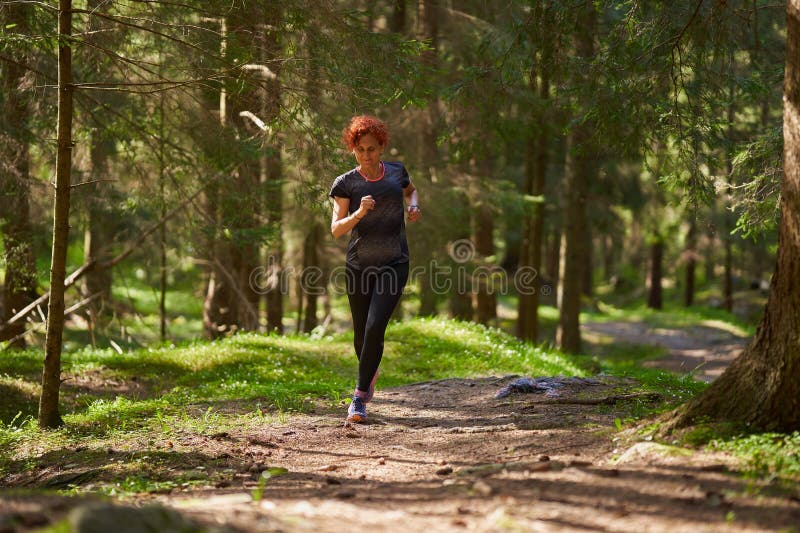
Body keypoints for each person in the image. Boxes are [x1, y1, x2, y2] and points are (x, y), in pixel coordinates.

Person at [329, 115, 421, 423]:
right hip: (359, 267)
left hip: (394, 263)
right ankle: (370, 371)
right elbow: (336, 230)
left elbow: (411, 191)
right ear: (353, 150)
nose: (366, 155)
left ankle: (358, 398)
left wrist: (414, 206)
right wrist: (358, 213)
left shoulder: (396, 172)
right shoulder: (345, 183)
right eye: (360, 149)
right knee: (360, 337)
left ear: (382, 147)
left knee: (373, 327)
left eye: (371, 148)